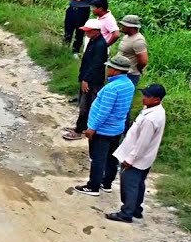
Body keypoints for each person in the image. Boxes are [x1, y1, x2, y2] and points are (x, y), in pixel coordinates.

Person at [75, 55, 136, 197]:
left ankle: (93, 186)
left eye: (110, 67)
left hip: (103, 130)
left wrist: (92, 128)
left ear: (116, 70)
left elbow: (104, 111)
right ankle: (106, 183)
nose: (107, 69)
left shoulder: (111, 88)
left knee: (98, 159)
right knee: (112, 157)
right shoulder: (129, 85)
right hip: (117, 128)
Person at [105, 84, 166, 223]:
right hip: (145, 158)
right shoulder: (154, 111)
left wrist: (130, 159)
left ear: (156, 100)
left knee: (129, 185)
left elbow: (142, 143)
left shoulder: (151, 119)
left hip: (137, 158)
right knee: (138, 184)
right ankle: (136, 209)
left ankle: (126, 213)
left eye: (147, 96)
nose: (143, 98)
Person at [63, 19, 108, 141]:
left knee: (86, 106)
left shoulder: (100, 45)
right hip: (88, 78)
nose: (86, 33)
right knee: (84, 104)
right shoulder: (93, 41)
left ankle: (79, 130)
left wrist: (86, 80)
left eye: (88, 31)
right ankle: (80, 127)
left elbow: (96, 65)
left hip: (92, 81)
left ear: (95, 31)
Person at [117, 14, 148, 86]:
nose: (121, 27)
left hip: (130, 74)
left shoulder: (138, 40)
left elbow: (143, 61)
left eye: (123, 25)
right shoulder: (126, 36)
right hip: (121, 71)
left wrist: (135, 69)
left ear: (130, 27)